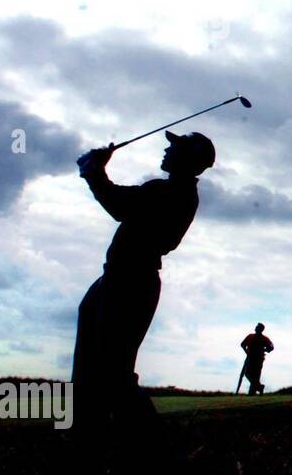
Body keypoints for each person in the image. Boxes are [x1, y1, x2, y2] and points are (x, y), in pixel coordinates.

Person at [71, 131, 215, 443]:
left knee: (113, 372)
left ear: (190, 160)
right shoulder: (172, 191)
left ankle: (153, 449)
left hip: (130, 282)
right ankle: (87, 437)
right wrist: (95, 172)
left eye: (175, 147)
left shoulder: (170, 193)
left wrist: (94, 172)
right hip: (120, 278)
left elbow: (118, 205)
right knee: (96, 366)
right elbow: (122, 204)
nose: (167, 148)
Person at [240, 323, 274, 395]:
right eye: (256, 327)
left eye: (257, 327)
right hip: (253, 357)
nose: (256, 328)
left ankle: (254, 390)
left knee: (250, 374)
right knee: (251, 375)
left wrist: (265, 350)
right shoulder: (251, 336)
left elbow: (271, 347)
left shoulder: (264, 338)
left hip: (256, 358)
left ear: (260, 329)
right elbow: (242, 344)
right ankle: (256, 389)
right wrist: (246, 352)